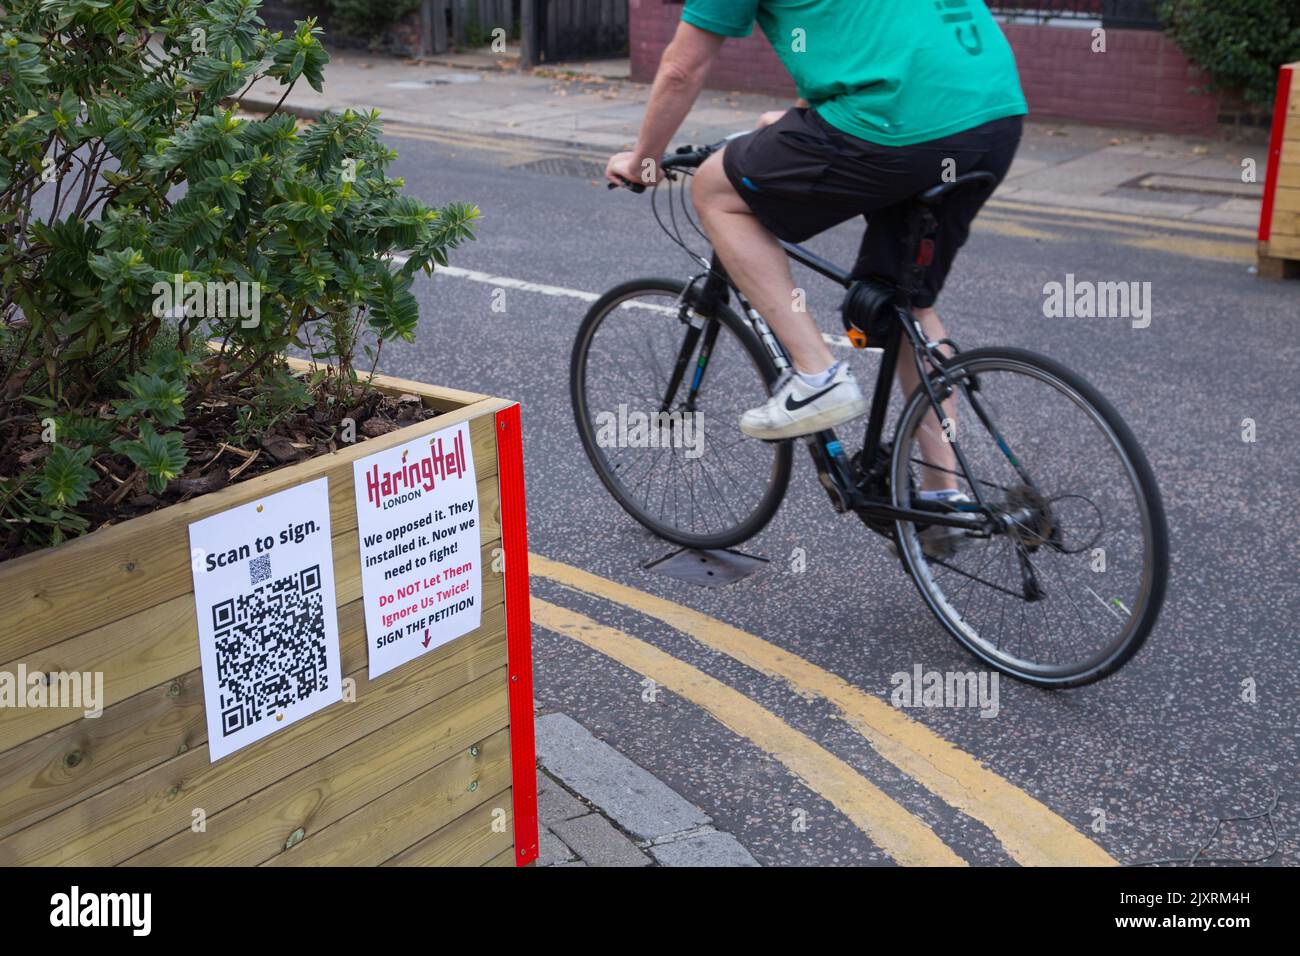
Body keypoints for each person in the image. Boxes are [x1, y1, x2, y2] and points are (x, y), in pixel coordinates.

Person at [605, 0, 1027, 508]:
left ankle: (818, 376)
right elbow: (860, 27)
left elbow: (680, 68)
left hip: (899, 122)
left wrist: (644, 160)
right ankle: (943, 497)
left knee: (717, 191)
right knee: (905, 301)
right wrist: (802, 117)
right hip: (992, 113)